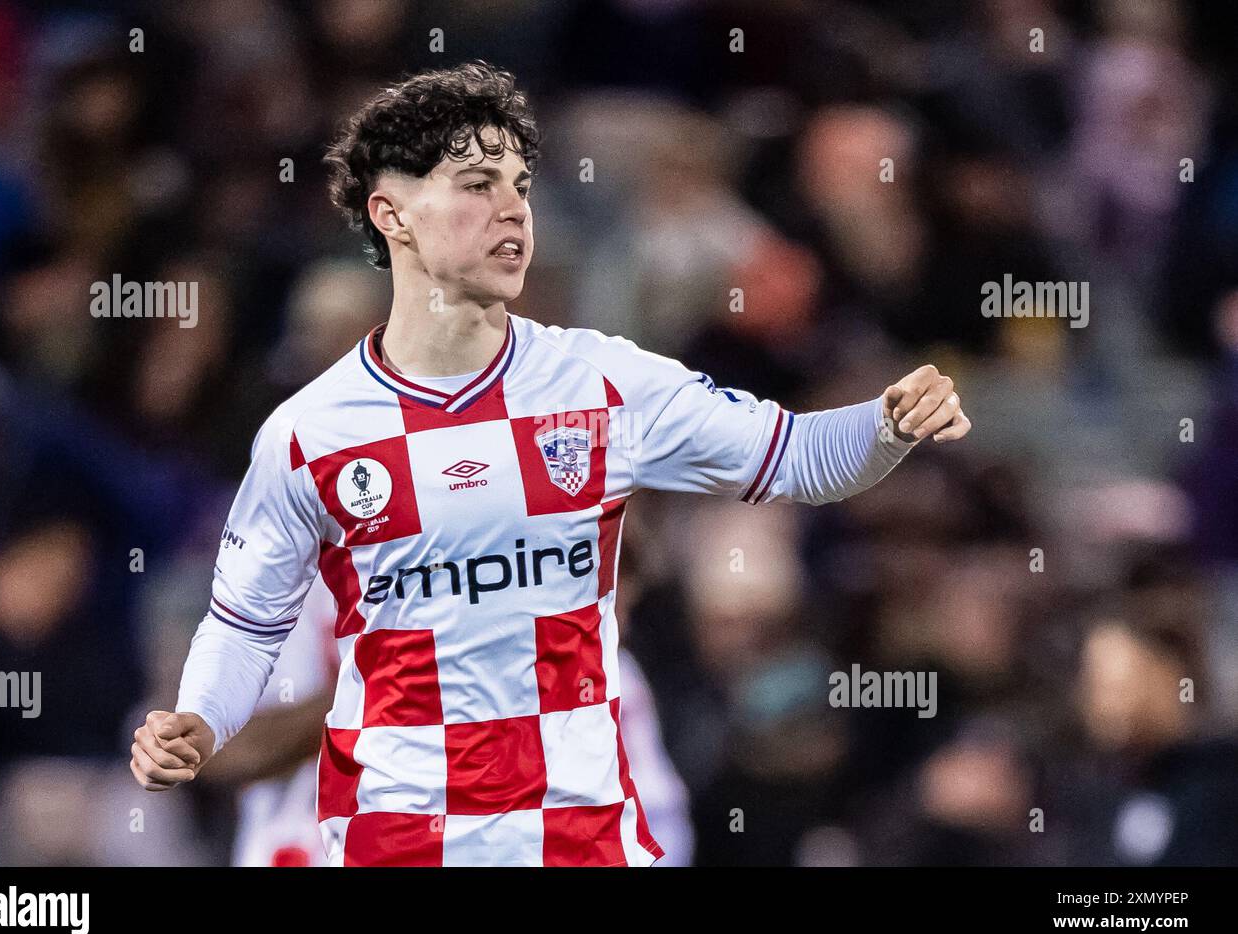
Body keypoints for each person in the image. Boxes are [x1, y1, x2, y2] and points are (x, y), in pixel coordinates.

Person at [129, 60, 970, 866]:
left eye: (521, 188)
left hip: (576, 842)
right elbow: (244, 623)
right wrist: (201, 719)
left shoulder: (604, 382)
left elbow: (792, 459)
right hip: (397, 842)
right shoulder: (307, 433)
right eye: (477, 185)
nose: (513, 212)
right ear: (392, 215)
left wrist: (884, 425)